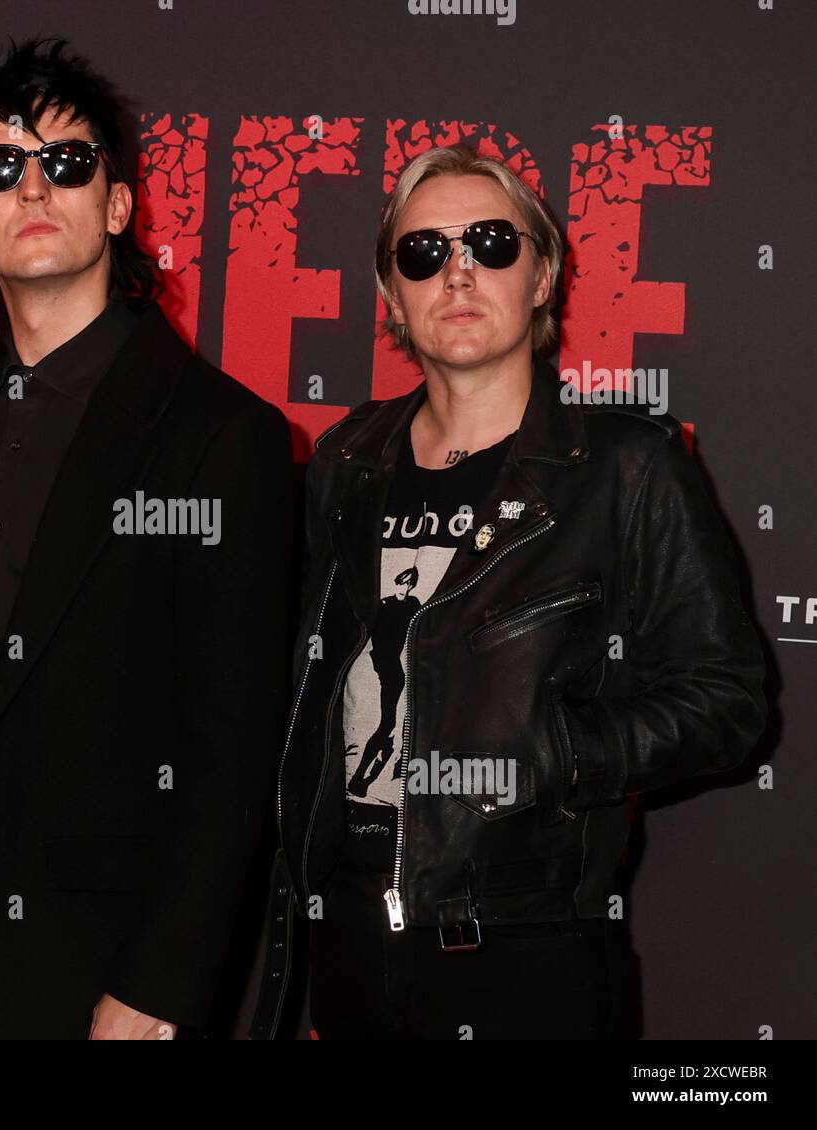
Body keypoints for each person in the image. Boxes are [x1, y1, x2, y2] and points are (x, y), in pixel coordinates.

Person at [250, 144, 766, 1040]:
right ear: (391, 297)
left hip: (527, 949)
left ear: (542, 276)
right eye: (423, 253)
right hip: (352, 942)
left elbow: (728, 702)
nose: (458, 272)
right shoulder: (346, 461)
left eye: (492, 244)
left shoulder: (626, 467)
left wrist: (553, 749)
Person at [0, 37, 292, 1040]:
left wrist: (156, 984)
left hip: (93, 942)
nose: (34, 188)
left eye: (68, 161)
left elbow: (231, 753)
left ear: (119, 204)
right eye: (0, 168)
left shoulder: (219, 437)